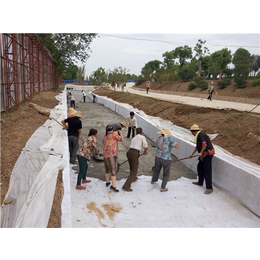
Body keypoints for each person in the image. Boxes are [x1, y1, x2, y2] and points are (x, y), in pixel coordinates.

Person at [189, 124, 215, 194]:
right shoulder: (198, 136)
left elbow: (204, 145)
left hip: (208, 154)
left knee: (207, 171)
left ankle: (209, 188)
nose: (192, 133)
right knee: (200, 167)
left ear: (193, 131)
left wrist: (200, 152)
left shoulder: (200, 135)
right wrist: (192, 154)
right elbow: (197, 146)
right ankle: (200, 182)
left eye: (191, 132)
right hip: (203, 154)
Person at [122, 127, 148, 192]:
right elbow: (146, 146)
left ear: (136, 133)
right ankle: (126, 186)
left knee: (132, 166)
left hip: (129, 152)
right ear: (142, 133)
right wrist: (145, 152)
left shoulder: (134, 138)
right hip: (134, 153)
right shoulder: (142, 137)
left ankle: (133, 178)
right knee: (134, 170)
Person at [103, 125, 123, 192]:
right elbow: (121, 139)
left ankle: (107, 182)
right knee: (113, 170)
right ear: (112, 130)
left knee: (107, 169)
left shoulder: (105, 137)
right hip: (112, 154)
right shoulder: (114, 134)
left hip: (105, 155)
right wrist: (120, 133)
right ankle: (113, 186)